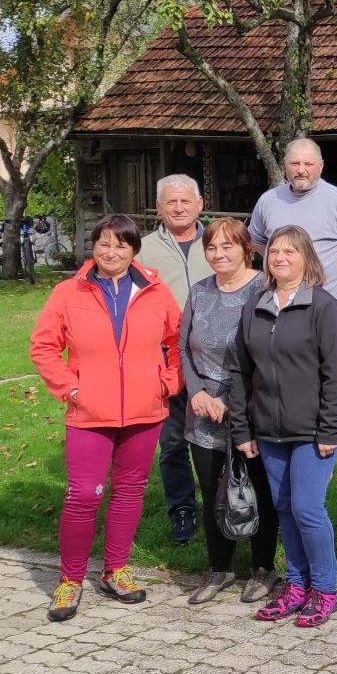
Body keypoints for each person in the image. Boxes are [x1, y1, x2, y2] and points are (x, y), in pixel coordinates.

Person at [31, 215, 182, 622]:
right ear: (93, 246)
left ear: (134, 251)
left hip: (144, 411)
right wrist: (70, 388)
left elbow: (178, 341)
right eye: (103, 243)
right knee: (83, 494)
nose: (111, 252)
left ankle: (115, 571)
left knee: (130, 491)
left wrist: (168, 382)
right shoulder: (68, 292)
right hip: (89, 412)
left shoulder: (154, 291)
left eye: (121, 245)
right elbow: (43, 346)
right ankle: (70, 580)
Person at [229, 225, 337, 628]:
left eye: (290, 252)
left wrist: (330, 429)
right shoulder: (256, 305)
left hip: (313, 430)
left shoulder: (323, 307)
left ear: (306, 259)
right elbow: (240, 370)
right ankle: (297, 586)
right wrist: (243, 429)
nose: (280, 258)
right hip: (268, 428)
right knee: (284, 508)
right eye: (274, 251)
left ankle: (326, 589)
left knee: (307, 508)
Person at [178, 218, 279, 605]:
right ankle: (219, 567)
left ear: (246, 249)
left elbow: (266, 352)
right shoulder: (199, 291)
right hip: (202, 412)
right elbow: (183, 346)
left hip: (249, 408)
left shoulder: (263, 289)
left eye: (227, 246)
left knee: (257, 489)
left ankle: (263, 567)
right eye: (211, 247)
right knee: (213, 492)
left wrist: (228, 398)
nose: (218, 254)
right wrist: (197, 391)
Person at [139, 174, 212, 544]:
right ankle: (182, 509)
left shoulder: (218, 241)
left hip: (215, 356)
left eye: (186, 201)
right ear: (159, 208)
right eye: (171, 202)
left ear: (200, 204)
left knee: (219, 436)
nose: (179, 208)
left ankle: (226, 505)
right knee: (172, 441)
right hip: (165, 356)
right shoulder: (142, 250)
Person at [249, 137, 337, 303]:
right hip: (278, 302)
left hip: (327, 302)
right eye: (295, 163)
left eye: (308, 164)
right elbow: (255, 240)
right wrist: (281, 259)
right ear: (285, 164)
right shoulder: (268, 201)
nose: (301, 170)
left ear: (321, 166)